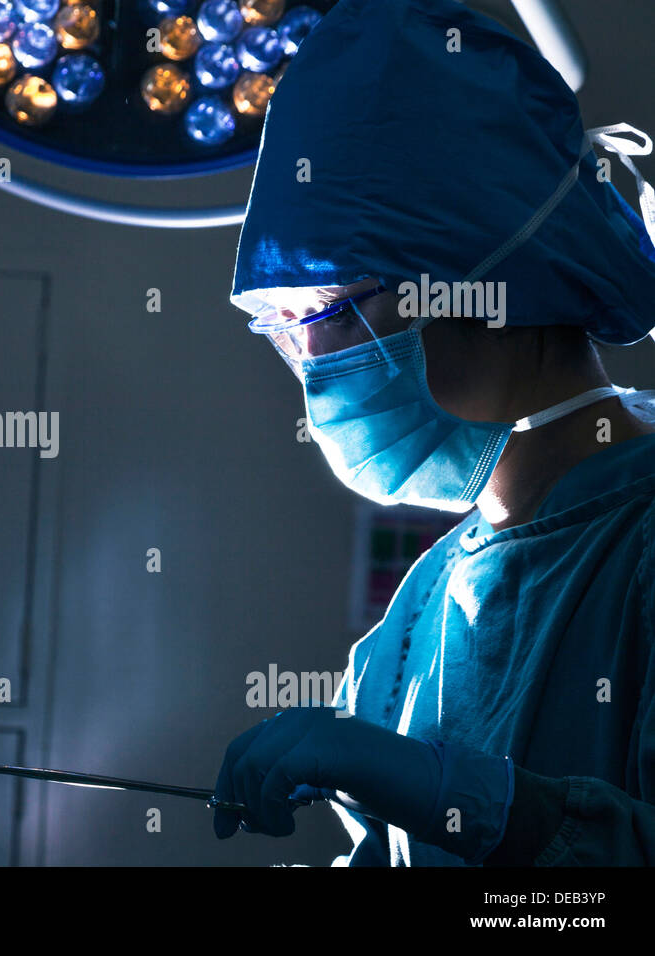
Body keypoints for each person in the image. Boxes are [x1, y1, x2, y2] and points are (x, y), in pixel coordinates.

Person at [213, 0, 655, 865]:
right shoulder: (423, 610)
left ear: (493, 279)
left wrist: (474, 802)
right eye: (285, 324)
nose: (310, 360)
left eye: (332, 310)